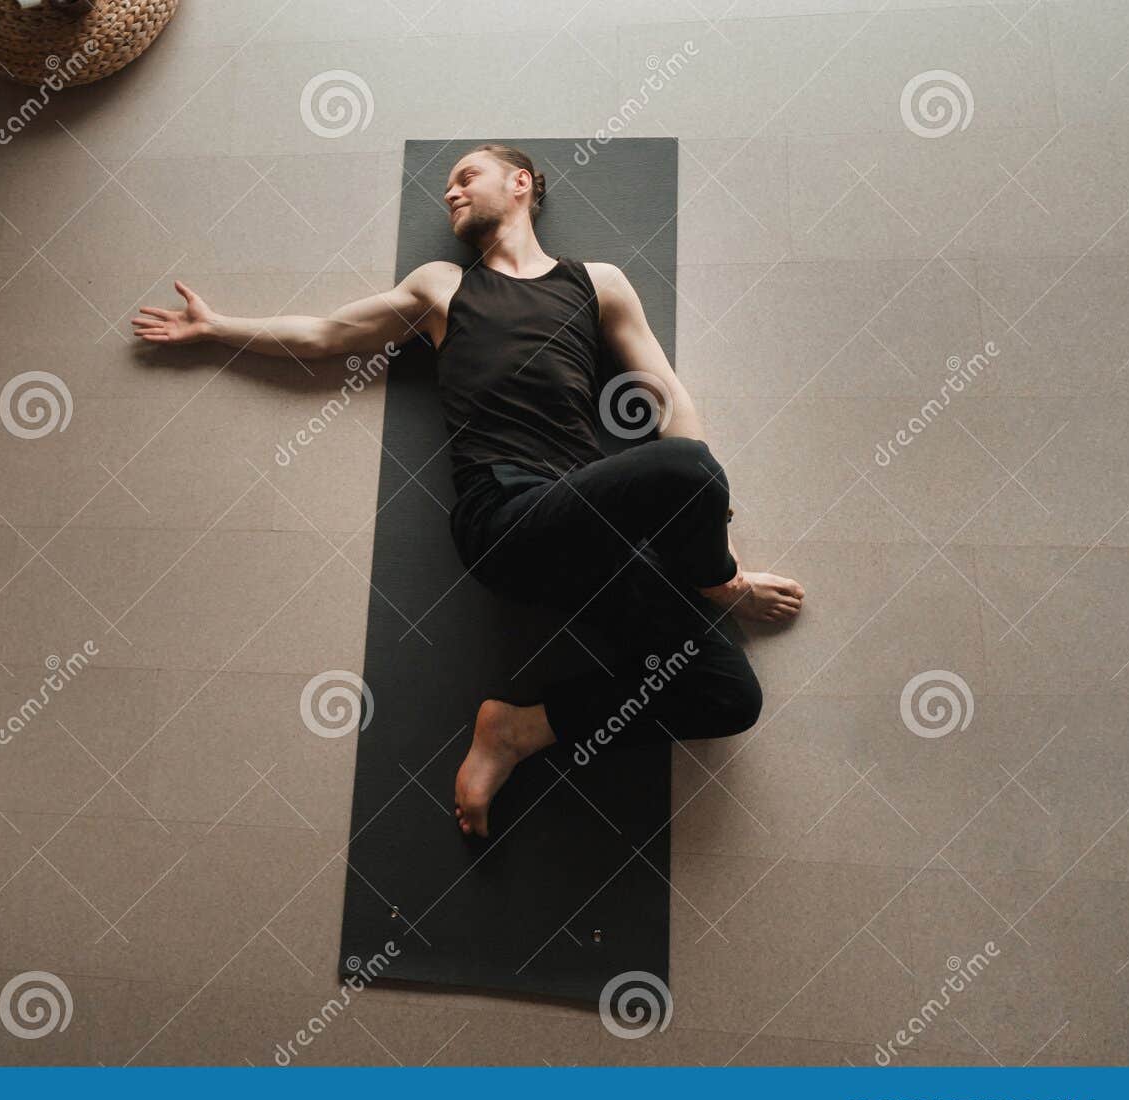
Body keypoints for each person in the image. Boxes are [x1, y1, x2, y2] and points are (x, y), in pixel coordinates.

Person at [134, 143, 804, 838]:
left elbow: (668, 400)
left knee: (728, 693)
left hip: (595, 533)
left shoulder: (596, 283)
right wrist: (217, 329)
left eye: (466, 177)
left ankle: (517, 729)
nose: (450, 193)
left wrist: (700, 504)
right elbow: (329, 334)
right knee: (690, 472)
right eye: (447, 186)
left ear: (521, 183)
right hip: (507, 523)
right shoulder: (442, 288)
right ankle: (719, 583)